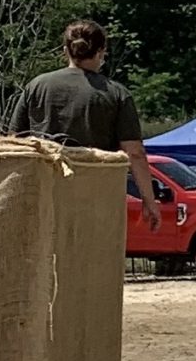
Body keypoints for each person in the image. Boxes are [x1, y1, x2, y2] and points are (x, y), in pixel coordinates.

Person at [11, 19, 160, 234]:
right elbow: (135, 152)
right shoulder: (116, 93)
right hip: (96, 196)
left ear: (65, 51)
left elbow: (14, 142)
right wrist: (149, 200)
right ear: (101, 52)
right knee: (92, 260)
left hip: (44, 192)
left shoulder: (36, 86)